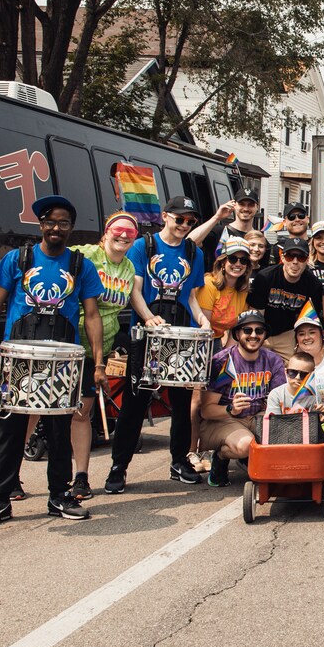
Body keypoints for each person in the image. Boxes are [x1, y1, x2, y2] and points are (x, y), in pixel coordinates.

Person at [0, 195, 106, 529]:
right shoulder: (19, 258)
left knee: (59, 430)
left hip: (61, 359)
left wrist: (98, 362)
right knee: (11, 429)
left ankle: (60, 495)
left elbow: (92, 314)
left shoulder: (79, 265)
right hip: (20, 357)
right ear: (41, 225)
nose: (57, 228)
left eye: (64, 223)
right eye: (51, 222)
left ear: (71, 227)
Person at [106, 195, 211, 493]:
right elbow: (134, 289)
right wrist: (148, 317)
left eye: (190, 221)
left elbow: (190, 296)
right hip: (147, 335)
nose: (184, 225)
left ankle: (179, 462)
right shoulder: (144, 246)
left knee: (180, 402)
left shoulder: (193, 252)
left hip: (180, 334)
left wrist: (201, 319)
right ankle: (119, 466)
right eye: (179, 219)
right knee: (135, 401)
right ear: (166, 216)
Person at [66, 212, 139, 501]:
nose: (123, 236)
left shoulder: (129, 267)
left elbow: (134, 300)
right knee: (38, 412)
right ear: (106, 232)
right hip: (69, 340)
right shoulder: (85, 254)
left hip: (99, 347)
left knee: (82, 412)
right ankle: (15, 475)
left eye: (130, 233)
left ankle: (80, 477)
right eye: (118, 230)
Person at [198, 310, 286, 487]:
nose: (253, 335)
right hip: (224, 420)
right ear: (237, 334)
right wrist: (231, 409)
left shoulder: (273, 360)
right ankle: (221, 457)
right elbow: (206, 411)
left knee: (283, 436)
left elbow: (281, 401)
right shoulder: (222, 362)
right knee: (246, 445)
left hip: (257, 416)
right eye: (247, 330)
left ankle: (251, 458)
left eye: (259, 331)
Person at [248, 235, 324, 361]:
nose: (295, 261)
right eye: (290, 256)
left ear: (307, 260)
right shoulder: (265, 277)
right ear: (282, 257)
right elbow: (255, 314)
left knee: (294, 369)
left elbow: (310, 319)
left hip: (288, 333)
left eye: (301, 257)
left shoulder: (313, 285)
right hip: (263, 329)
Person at [196, 238, 253, 344]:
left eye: (243, 260)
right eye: (232, 259)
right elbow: (203, 326)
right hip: (199, 338)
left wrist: (226, 353)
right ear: (223, 262)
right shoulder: (209, 284)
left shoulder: (244, 289)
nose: (238, 264)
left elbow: (236, 328)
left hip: (217, 339)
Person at [293, 313, 324, 408]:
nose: (306, 337)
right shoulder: (294, 362)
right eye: (301, 334)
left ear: (322, 333)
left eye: (312, 332)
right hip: (306, 416)